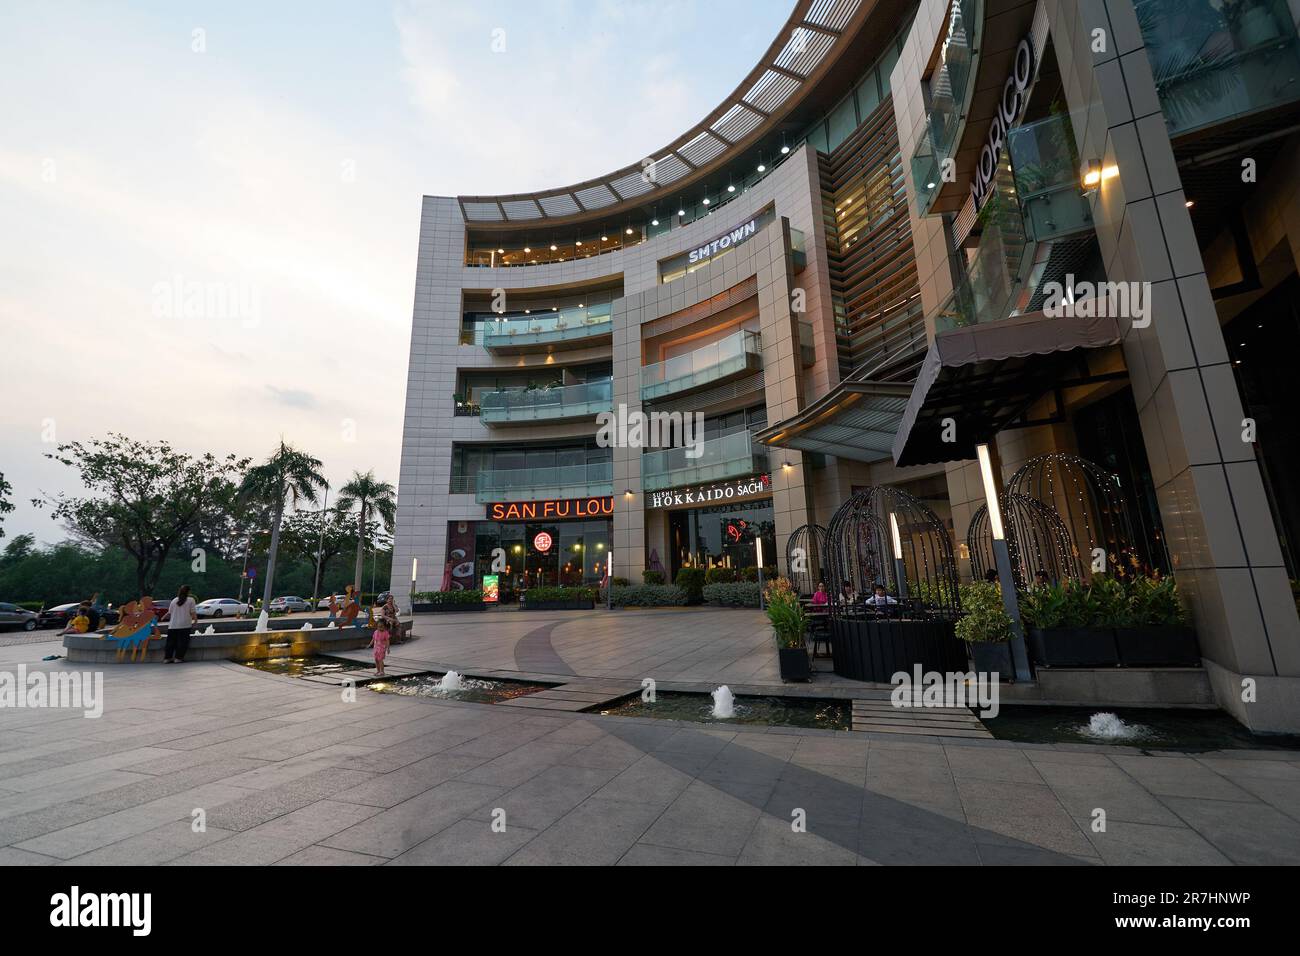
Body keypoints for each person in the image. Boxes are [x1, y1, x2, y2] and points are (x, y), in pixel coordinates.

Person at [162, 584, 198, 663]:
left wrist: (162, 618)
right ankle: (178, 658)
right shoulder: (191, 600)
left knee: (170, 643)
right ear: (188, 592)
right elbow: (193, 612)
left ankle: (167, 658)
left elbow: (169, 612)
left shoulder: (174, 600)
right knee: (182, 642)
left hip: (172, 625)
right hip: (184, 625)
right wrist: (195, 621)